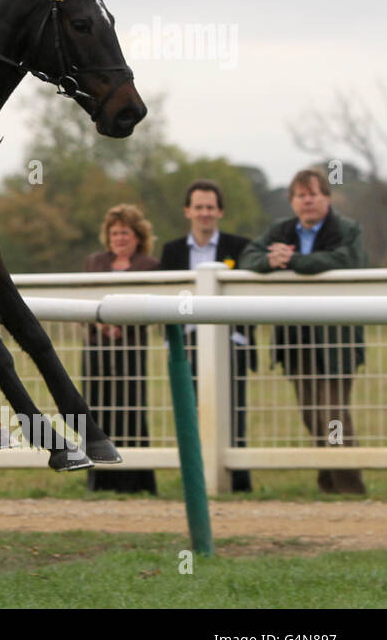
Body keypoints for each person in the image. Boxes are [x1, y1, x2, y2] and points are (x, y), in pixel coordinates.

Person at [239, 168, 368, 494]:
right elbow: (248, 258)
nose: (307, 200)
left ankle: (350, 487)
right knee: (312, 416)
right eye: (301, 195)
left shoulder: (347, 230)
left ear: (326, 197)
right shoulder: (280, 230)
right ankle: (328, 484)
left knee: (333, 416)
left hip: (336, 341)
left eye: (314, 194)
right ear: (292, 201)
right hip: (297, 341)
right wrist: (270, 260)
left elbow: (348, 260)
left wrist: (292, 260)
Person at [158, 180, 256, 492]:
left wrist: (240, 338)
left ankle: (238, 482)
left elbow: (250, 295)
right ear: (188, 211)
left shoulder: (240, 247)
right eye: (198, 207)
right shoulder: (172, 251)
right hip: (187, 346)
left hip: (229, 345)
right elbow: (163, 296)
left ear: (220, 211)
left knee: (234, 412)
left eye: (210, 207)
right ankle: (196, 482)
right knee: (190, 413)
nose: (204, 213)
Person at [83, 204, 160, 493]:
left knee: (130, 408)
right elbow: (83, 301)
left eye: (125, 233)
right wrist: (101, 325)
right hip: (96, 348)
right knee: (97, 407)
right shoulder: (94, 262)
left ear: (138, 236)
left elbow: (152, 306)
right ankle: (100, 479)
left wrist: (123, 326)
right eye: (114, 233)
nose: (120, 238)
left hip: (130, 349)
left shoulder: (149, 266)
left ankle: (133, 481)